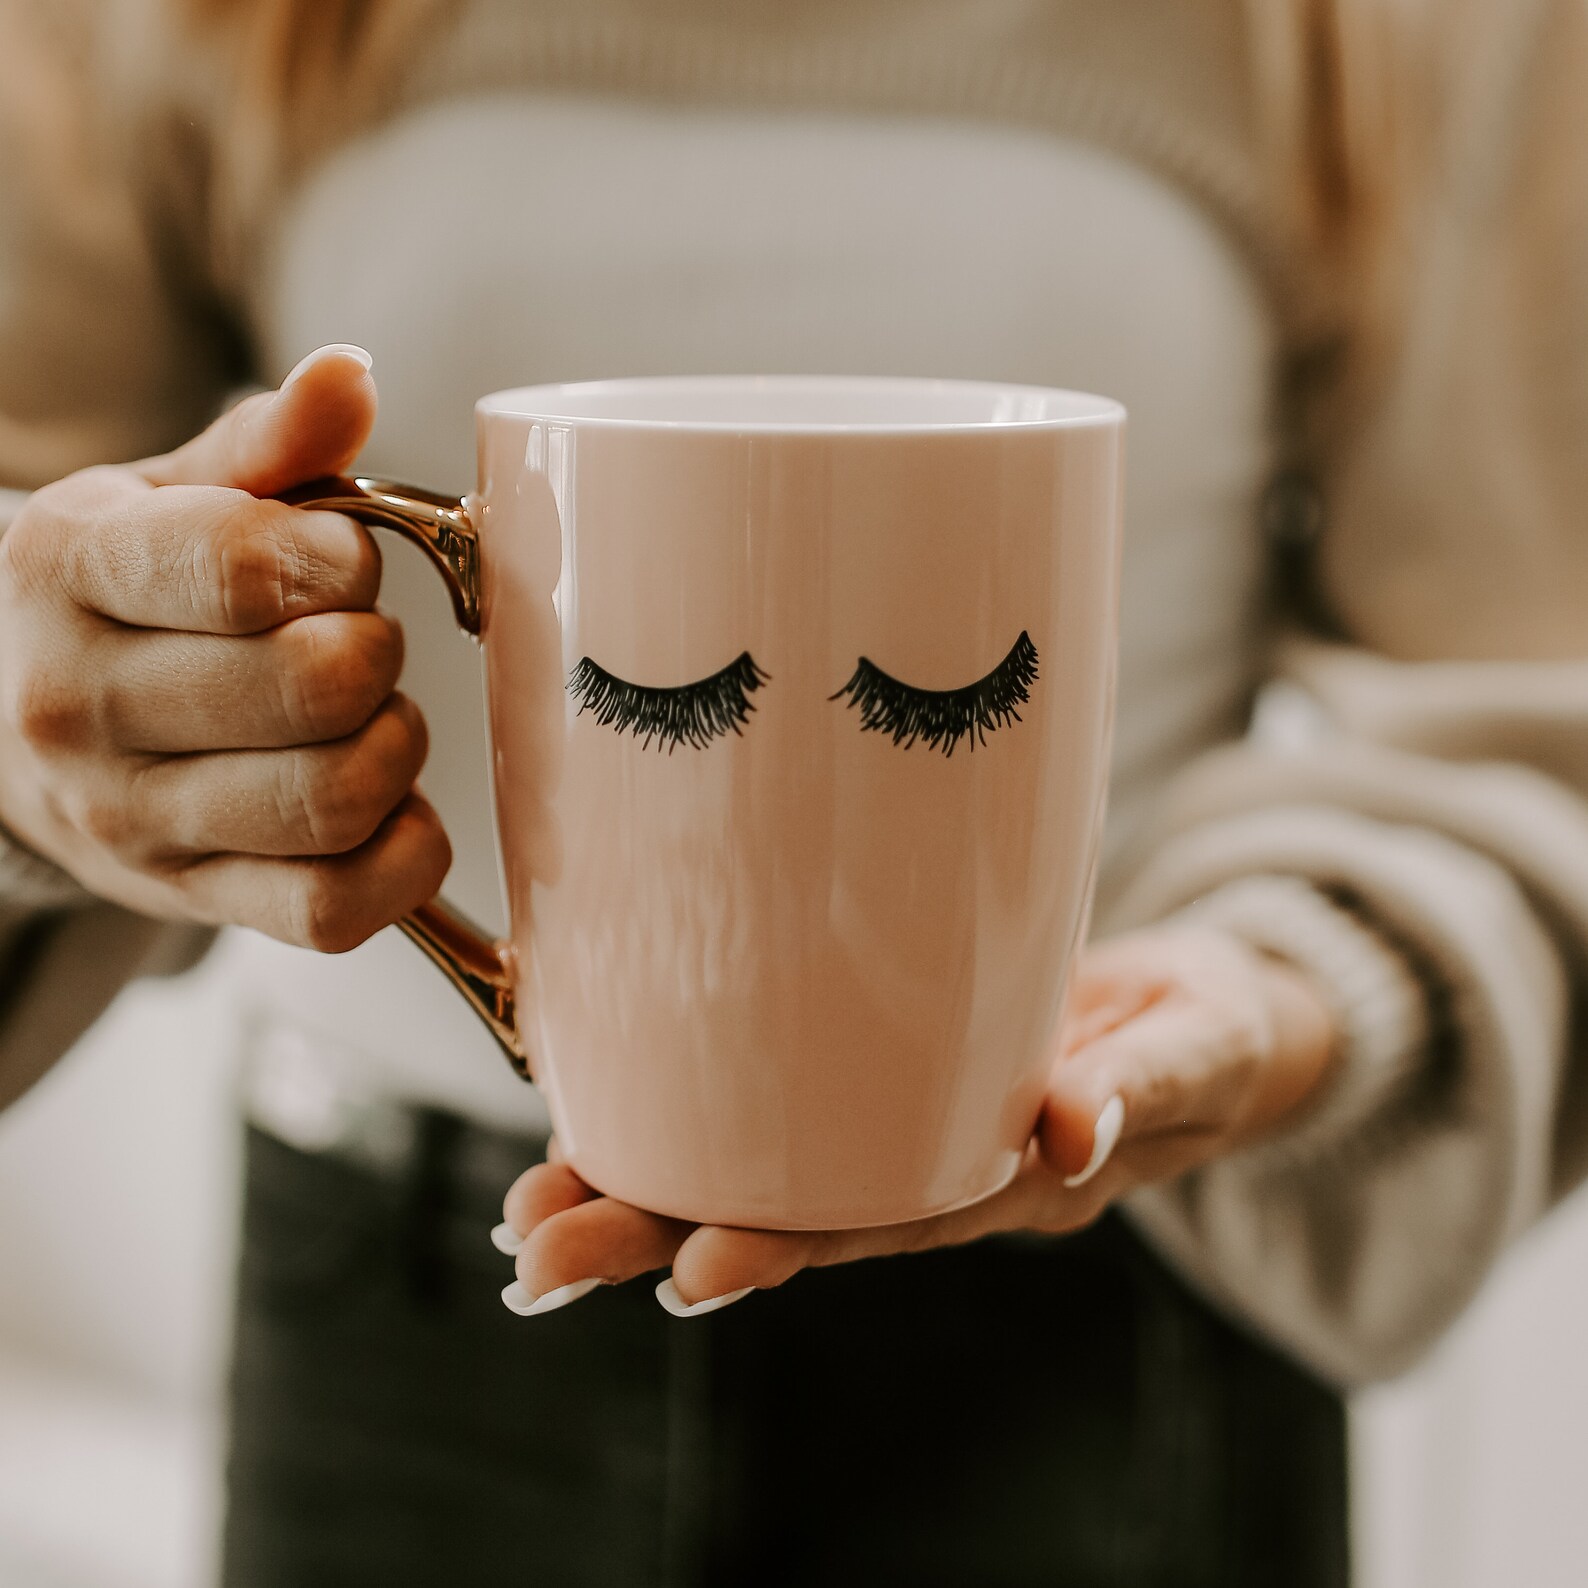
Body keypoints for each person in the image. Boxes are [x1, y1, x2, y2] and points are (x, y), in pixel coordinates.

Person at [1, 0, 1585, 1583]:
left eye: (954, 690)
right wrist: (48, 715)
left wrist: (1310, 977)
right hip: (398, 1320)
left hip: (1117, 1296)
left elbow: (1535, 686)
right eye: (661, 691)